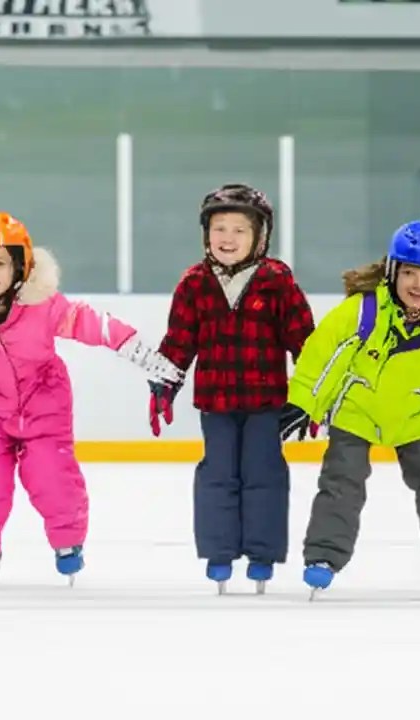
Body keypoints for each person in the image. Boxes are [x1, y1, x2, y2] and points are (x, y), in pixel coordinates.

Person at [0, 211, 179, 587]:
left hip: (45, 404)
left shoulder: (44, 306)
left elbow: (94, 325)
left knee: (51, 476)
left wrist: (139, 351)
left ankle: (68, 540)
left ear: (20, 265)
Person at [284, 221, 420, 597]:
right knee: (342, 481)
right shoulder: (362, 311)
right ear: (391, 271)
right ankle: (323, 556)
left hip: (414, 417)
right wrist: (303, 403)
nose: (418, 284)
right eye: (409, 272)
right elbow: (323, 359)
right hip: (358, 412)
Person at [150, 183, 316, 593]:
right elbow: (178, 340)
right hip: (217, 402)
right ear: (206, 233)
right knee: (217, 476)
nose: (228, 238)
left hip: (266, 403)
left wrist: (313, 395)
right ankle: (219, 552)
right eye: (219, 228)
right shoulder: (194, 283)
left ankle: (261, 554)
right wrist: (164, 384)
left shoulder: (277, 281)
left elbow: (305, 342)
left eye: (239, 230)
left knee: (264, 475)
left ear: (260, 236)